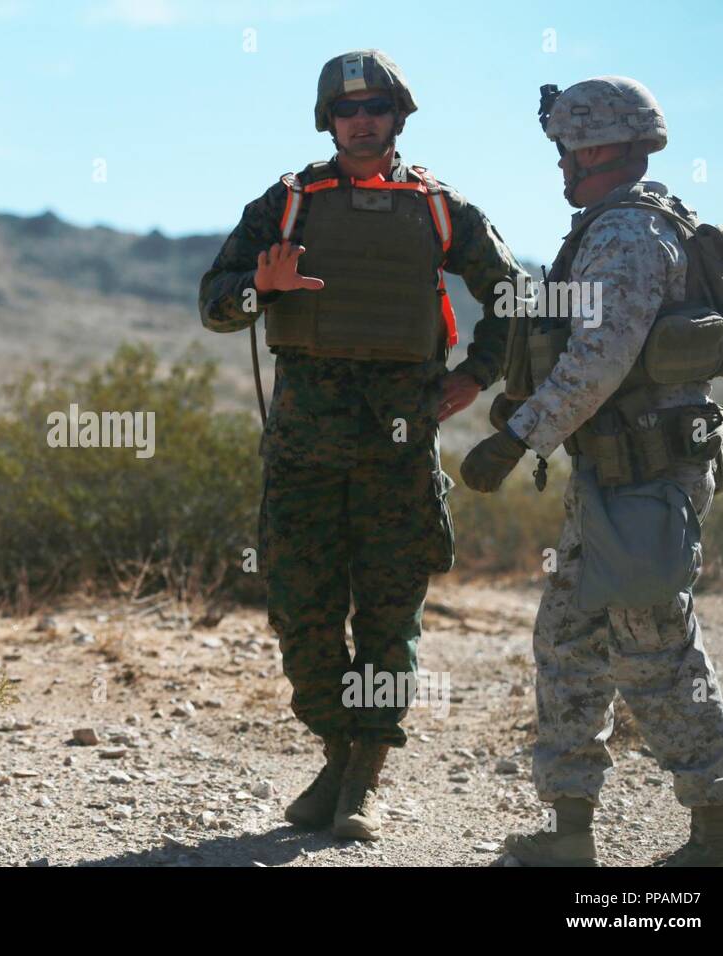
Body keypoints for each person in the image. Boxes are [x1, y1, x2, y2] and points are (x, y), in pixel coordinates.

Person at [199, 49, 525, 841]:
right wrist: (260, 290)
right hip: (305, 452)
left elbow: (513, 292)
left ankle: (363, 782)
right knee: (301, 617)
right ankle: (341, 749)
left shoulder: (440, 207)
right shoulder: (288, 202)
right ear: (329, 119)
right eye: (348, 109)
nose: (362, 120)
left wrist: (477, 374)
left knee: (387, 620)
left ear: (398, 115)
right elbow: (214, 303)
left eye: (377, 106)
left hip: (398, 451)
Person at [462, 76, 723, 866]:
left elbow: (599, 359)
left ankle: (717, 834)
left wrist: (519, 436)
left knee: (655, 646)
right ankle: (569, 830)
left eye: (565, 145)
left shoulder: (625, 235)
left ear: (594, 146)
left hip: (643, 478)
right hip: (612, 479)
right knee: (568, 640)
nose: (559, 161)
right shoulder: (624, 225)